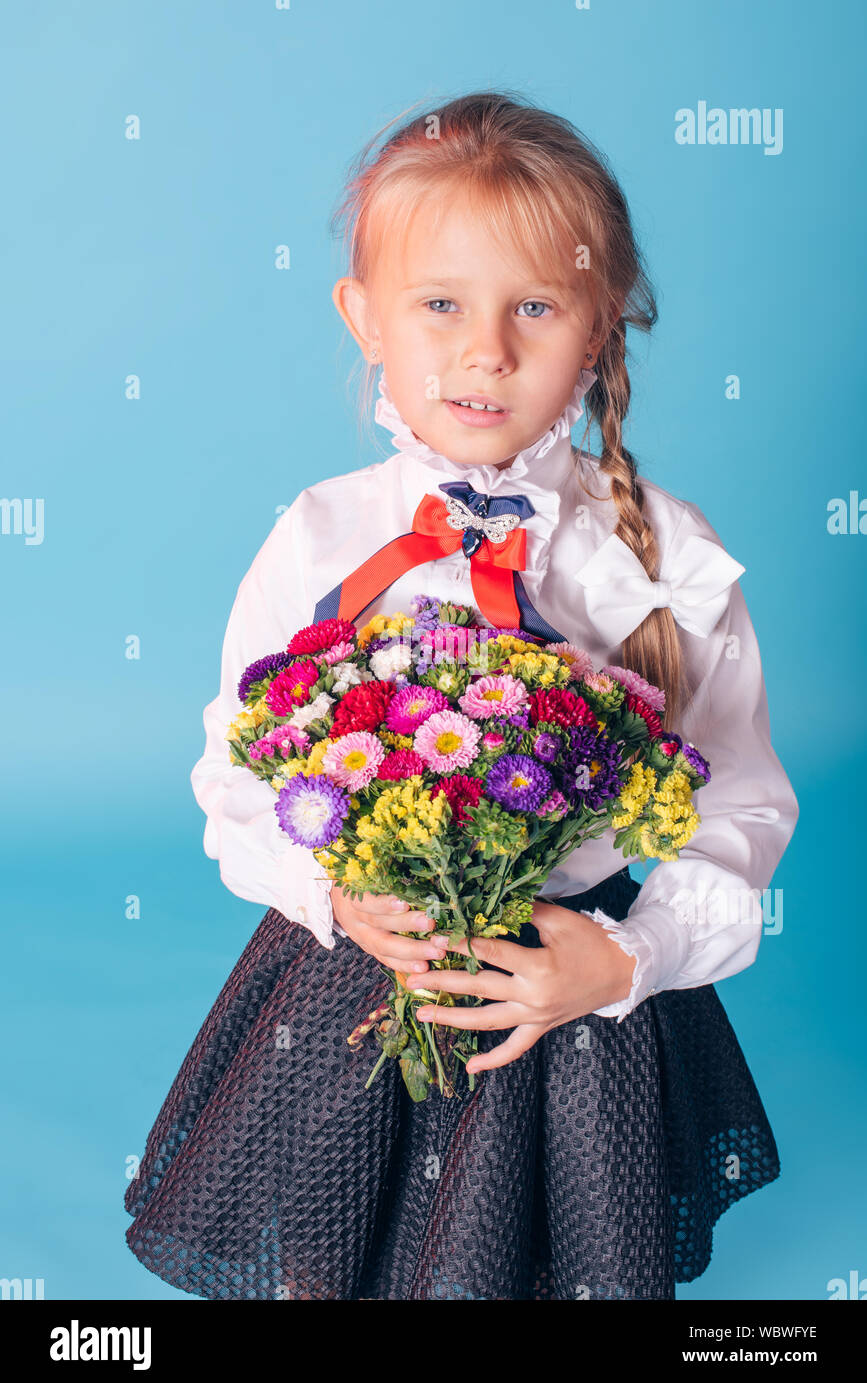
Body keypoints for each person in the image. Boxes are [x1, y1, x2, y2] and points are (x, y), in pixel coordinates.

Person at [124, 90, 799, 1301]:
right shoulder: (322, 533)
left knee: (542, 1252)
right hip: (361, 968)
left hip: (564, 978)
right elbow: (236, 770)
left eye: (534, 306)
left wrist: (627, 960)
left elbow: (739, 805)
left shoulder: (664, 558)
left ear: (598, 330)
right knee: (331, 1235)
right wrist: (334, 891)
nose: (486, 350)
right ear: (364, 317)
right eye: (441, 303)